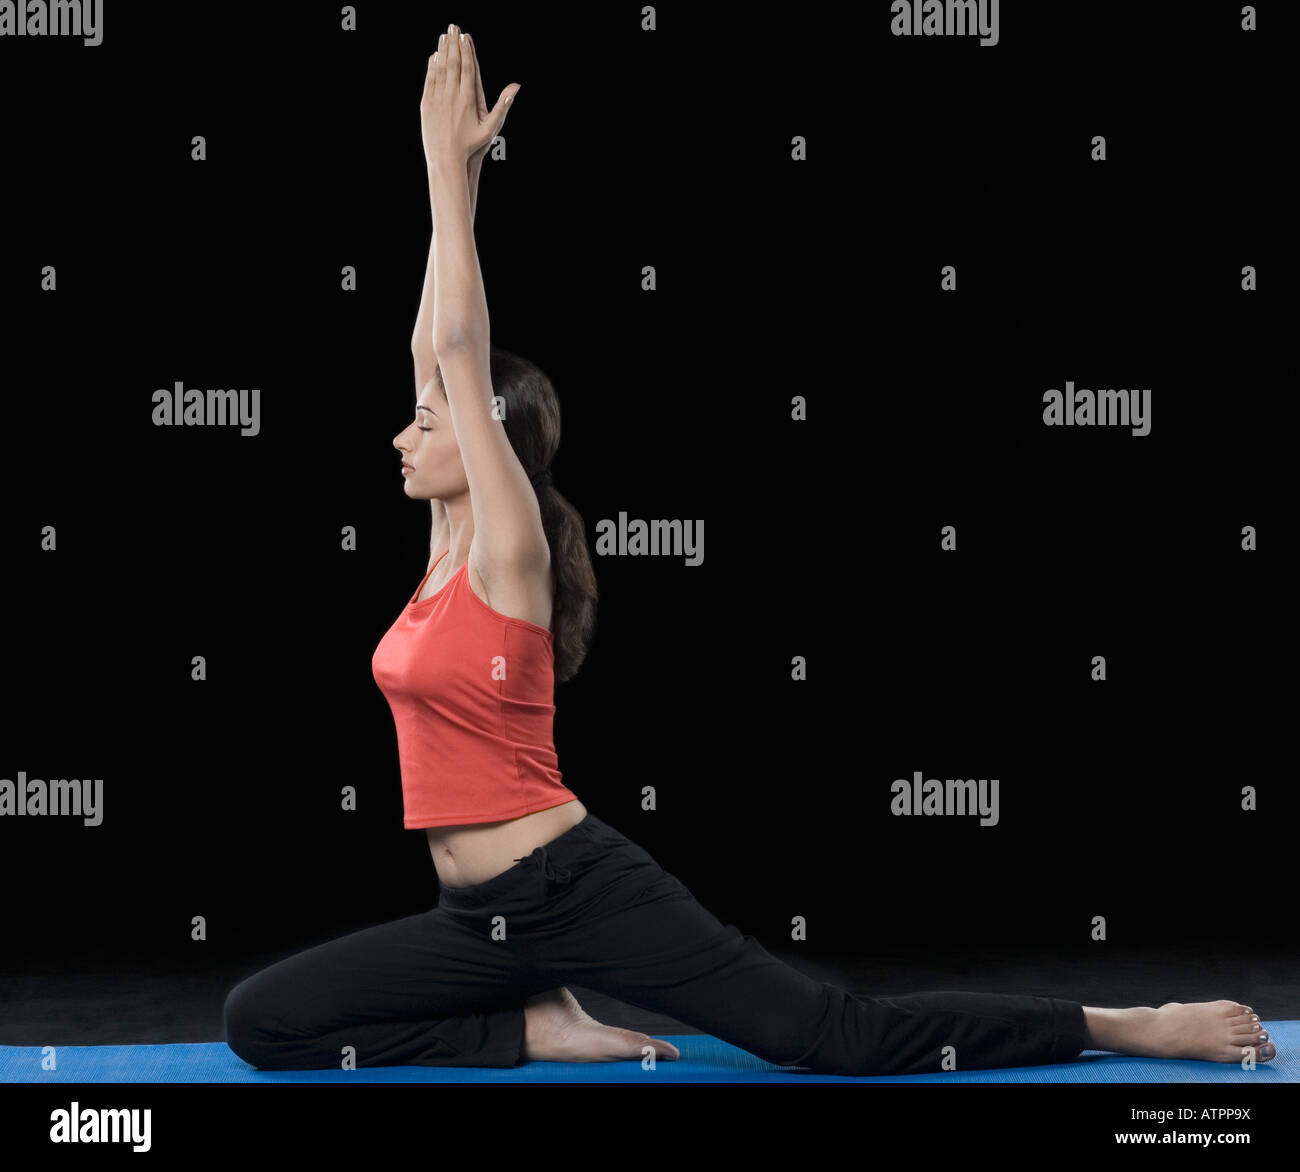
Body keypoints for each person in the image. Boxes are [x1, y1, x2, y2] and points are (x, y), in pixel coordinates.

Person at [220, 24, 1277, 1075]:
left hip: (574, 886)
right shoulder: (444, 540)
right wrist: (454, 181)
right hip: (473, 920)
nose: (403, 431)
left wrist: (448, 166)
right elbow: (430, 350)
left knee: (834, 1036)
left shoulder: (509, 545)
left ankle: (1118, 1020)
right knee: (258, 1022)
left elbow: (455, 350)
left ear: (493, 439)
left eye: (429, 421)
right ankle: (531, 1021)